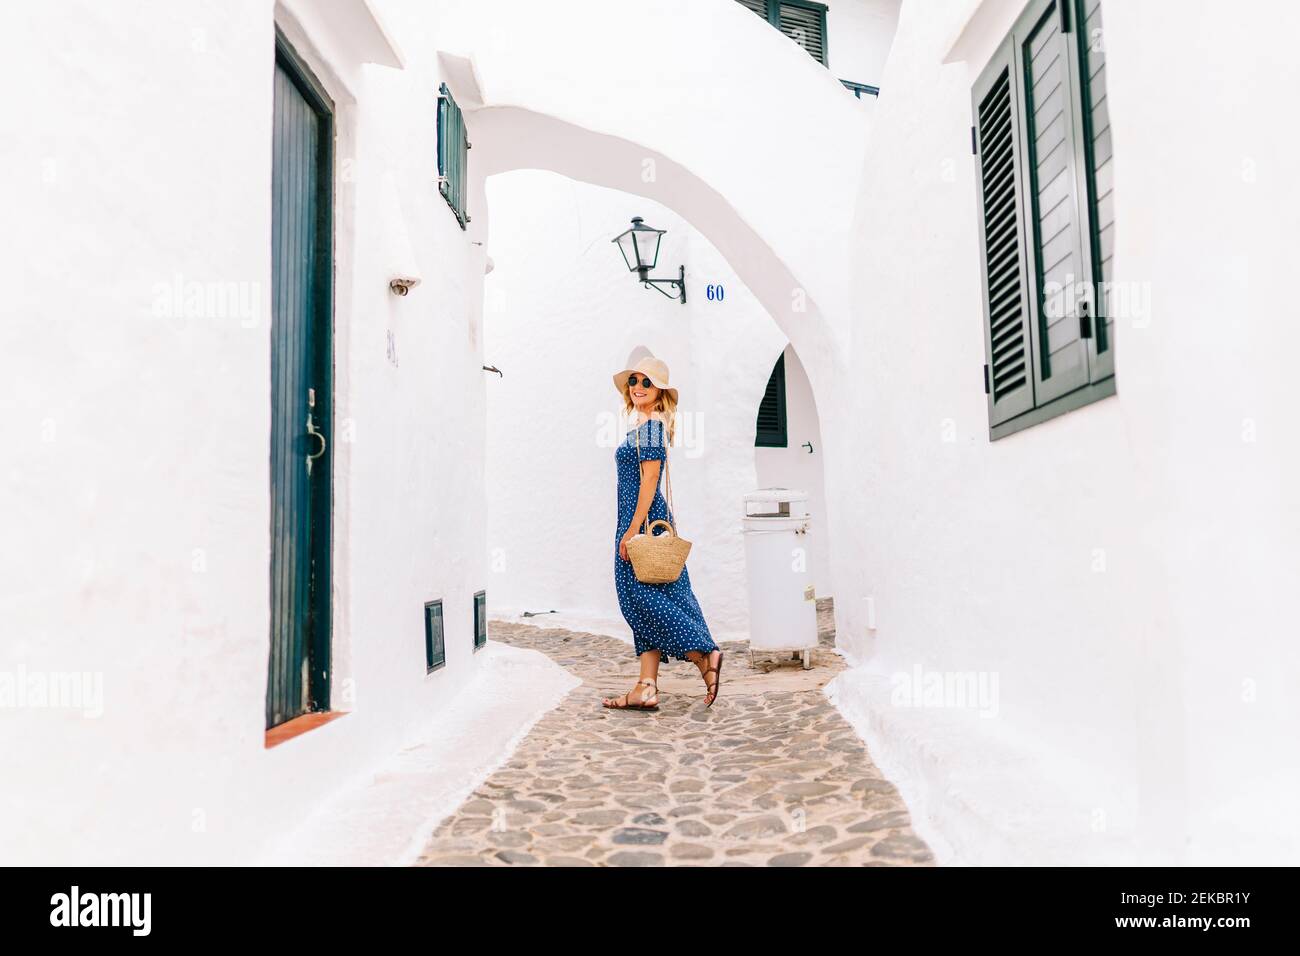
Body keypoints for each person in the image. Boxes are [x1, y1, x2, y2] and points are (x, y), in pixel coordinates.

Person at [602, 356, 723, 711]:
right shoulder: (644, 426)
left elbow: (650, 481)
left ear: (660, 394)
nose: (637, 387)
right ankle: (646, 686)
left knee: (640, 598)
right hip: (635, 518)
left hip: (642, 521)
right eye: (634, 381)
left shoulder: (652, 427)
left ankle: (703, 652)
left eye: (646, 383)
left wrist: (632, 530)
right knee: (651, 599)